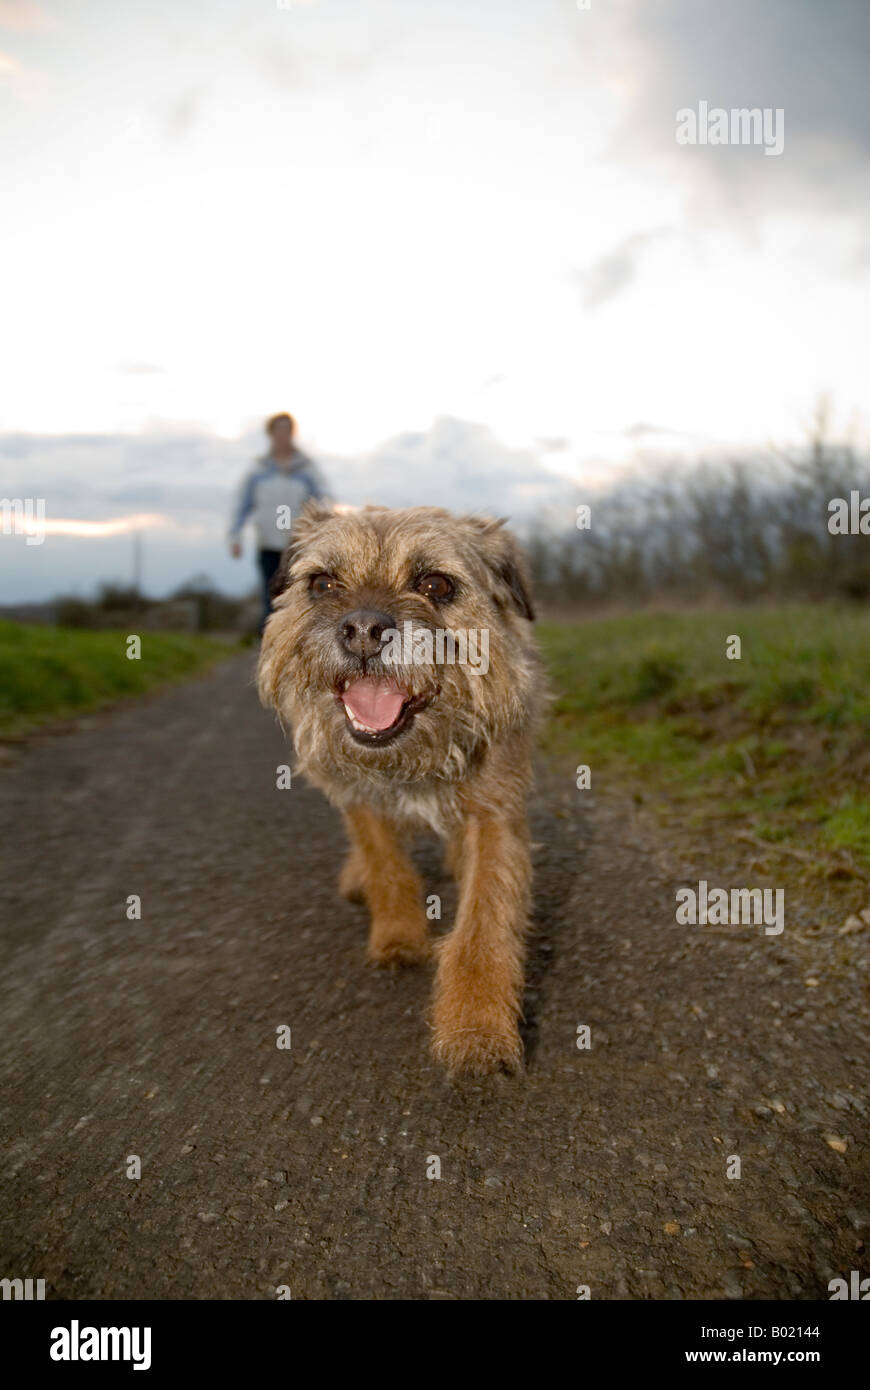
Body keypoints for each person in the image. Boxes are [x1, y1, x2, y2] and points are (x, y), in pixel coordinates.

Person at [229, 412, 328, 632]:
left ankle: (297, 644)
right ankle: (267, 647)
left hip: (297, 545)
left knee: (296, 594)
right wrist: (235, 536)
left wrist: (327, 535)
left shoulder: (306, 470)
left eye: (287, 430)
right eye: (278, 430)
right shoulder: (258, 471)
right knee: (270, 596)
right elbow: (242, 505)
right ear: (271, 434)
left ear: (292, 434)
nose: (282, 435)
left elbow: (323, 503)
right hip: (268, 544)